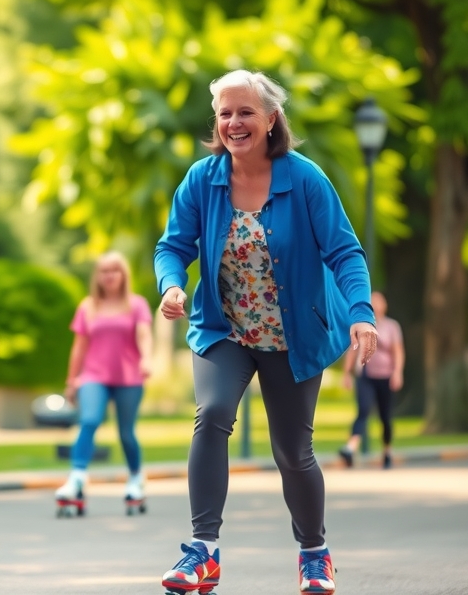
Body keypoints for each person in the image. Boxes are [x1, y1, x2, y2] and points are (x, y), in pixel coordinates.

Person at [154, 69, 376, 595]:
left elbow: (344, 251)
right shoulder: (202, 179)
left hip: (293, 336)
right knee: (210, 416)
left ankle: (314, 554)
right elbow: (172, 246)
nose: (234, 122)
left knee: (292, 453)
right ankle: (202, 552)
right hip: (223, 329)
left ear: (271, 119)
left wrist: (361, 312)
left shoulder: (305, 179)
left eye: (246, 112)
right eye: (225, 113)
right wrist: (171, 285)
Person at [54, 251, 152, 510]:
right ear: (97, 276)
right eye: (104, 271)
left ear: (123, 275)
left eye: (115, 270)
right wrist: (71, 380)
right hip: (93, 376)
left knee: (126, 433)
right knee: (89, 420)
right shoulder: (88, 306)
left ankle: (135, 479)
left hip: (129, 376)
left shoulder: (137, 304)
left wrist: (146, 359)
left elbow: (144, 335)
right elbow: (79, 346)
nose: (109, 276)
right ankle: (76, 478)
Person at [339, 291, 404, 469]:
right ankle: (350, 448)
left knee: (385, 416)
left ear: (384, 305)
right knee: (363, 411)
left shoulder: (392, 326)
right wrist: (346, 373)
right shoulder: (362, 325)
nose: (375, 304)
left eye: (378, 301)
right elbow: (352, 350)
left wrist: (397, 372)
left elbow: (397, 351)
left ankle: (387, 451)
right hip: (366, 374)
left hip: (386, 376)